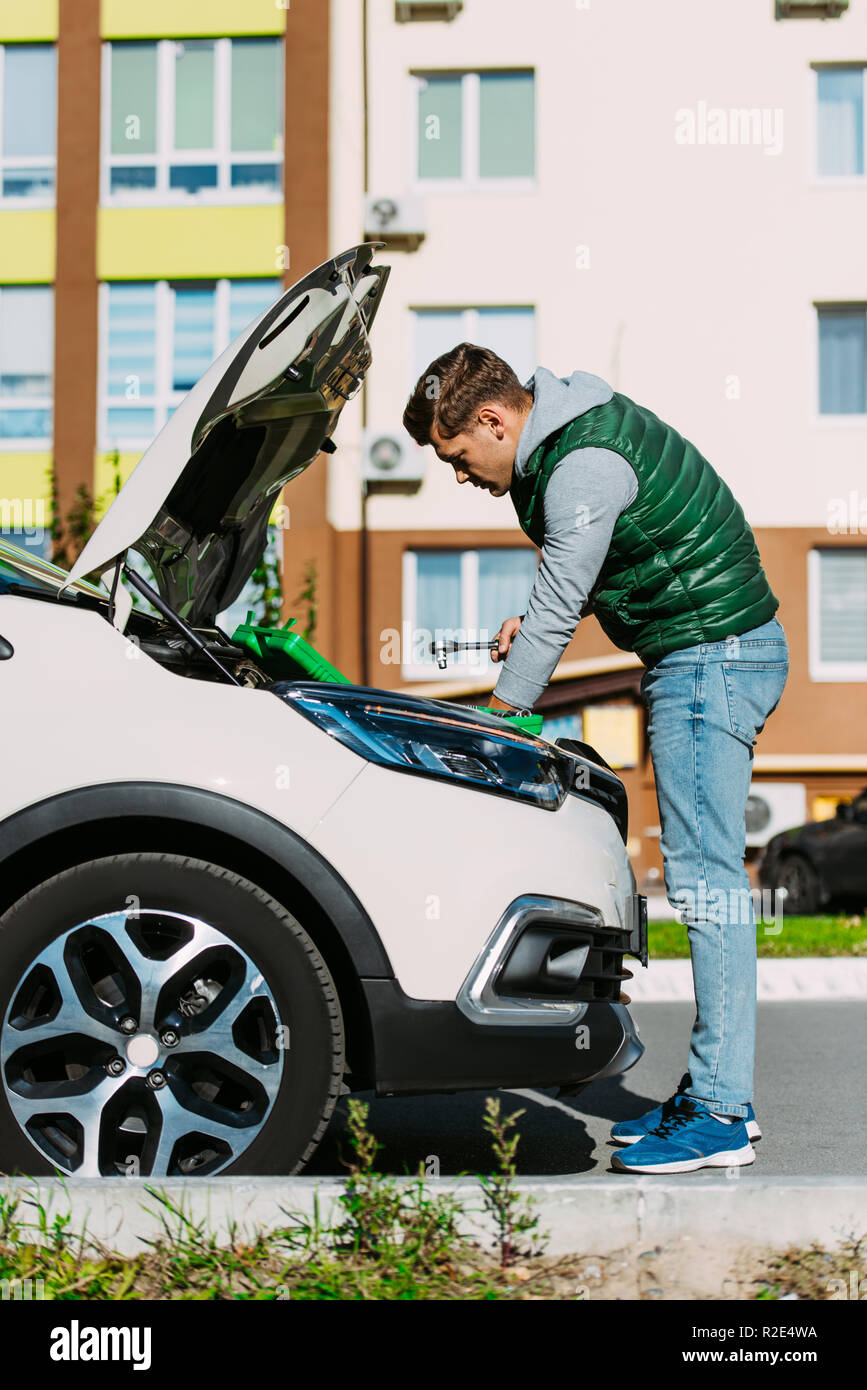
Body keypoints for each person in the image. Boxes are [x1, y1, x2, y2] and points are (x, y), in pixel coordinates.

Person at [402, 343, 790, 1175]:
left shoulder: (578, 463)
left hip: (709, 661)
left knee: (705, 883)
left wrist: (500, 720)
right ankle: (723, 1096)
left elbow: (559, 600)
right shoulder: (565, 442)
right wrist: (530, 630)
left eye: (456, 455)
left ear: (493, 419)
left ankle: (719, 1112)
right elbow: (577, 579)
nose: (459, 476)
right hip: (709, 654)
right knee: (704, 879)